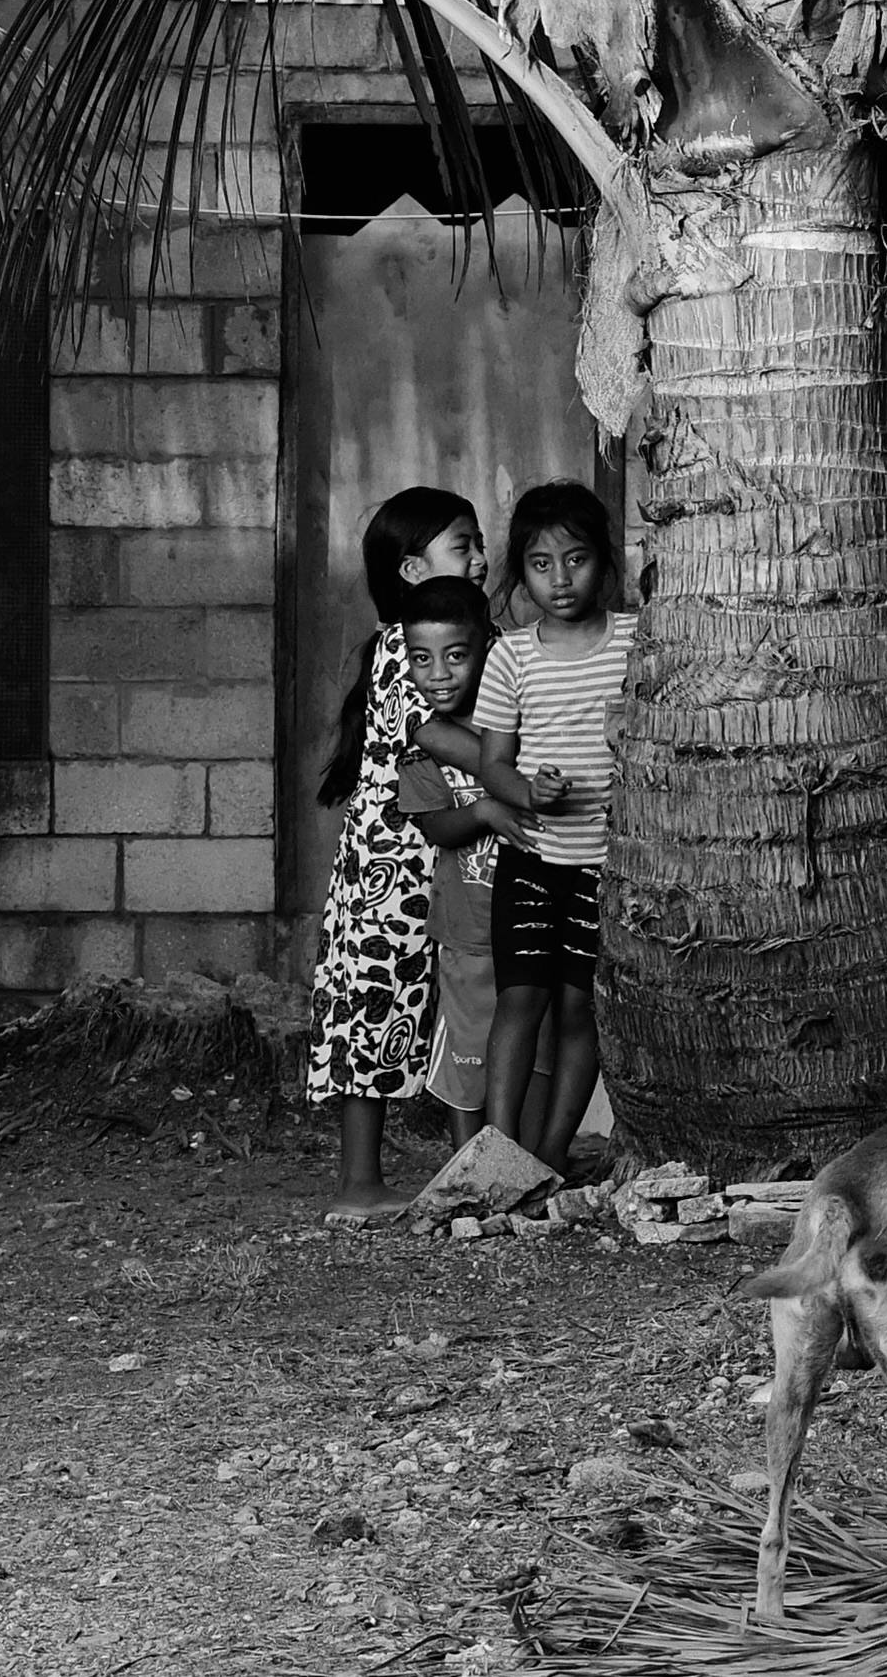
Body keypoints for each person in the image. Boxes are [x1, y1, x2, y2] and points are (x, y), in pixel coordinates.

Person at [306, 486, 486, 1224]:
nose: (480, 558)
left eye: (479, 544)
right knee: (379, 1006)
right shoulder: (399, 647)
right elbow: (434, 736)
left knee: (458, 1007)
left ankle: (474, 1164)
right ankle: (359, 1183)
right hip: (393, 866)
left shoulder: (473, 635)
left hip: (447, 854)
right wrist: (521, 769)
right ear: (412, 570)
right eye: (462, 546)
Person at [476, 480, 634, 1173]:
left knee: (580, 1011)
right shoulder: (511, 655)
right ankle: (497, 1152)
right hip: (534, 860)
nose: (560, 580)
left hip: (609, 867)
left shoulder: (635, 640)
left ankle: (548, 1156)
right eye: (541, 564)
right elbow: (494, 765)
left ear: (604, 561)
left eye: (576, 560)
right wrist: (529, 793)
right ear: (522, 571)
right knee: (520, 1002)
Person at [391, 575, 554, 1148]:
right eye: (422, 659)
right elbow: (435, 827)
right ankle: (466, 1165)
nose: (438, 674)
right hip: (467, 935)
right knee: (465, 1059)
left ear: (487, 646)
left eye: (455, 656)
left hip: (534, 922)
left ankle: (531, 1164)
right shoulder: (424, 747)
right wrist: (485, 811)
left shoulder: (515, 729)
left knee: (536, 1055)